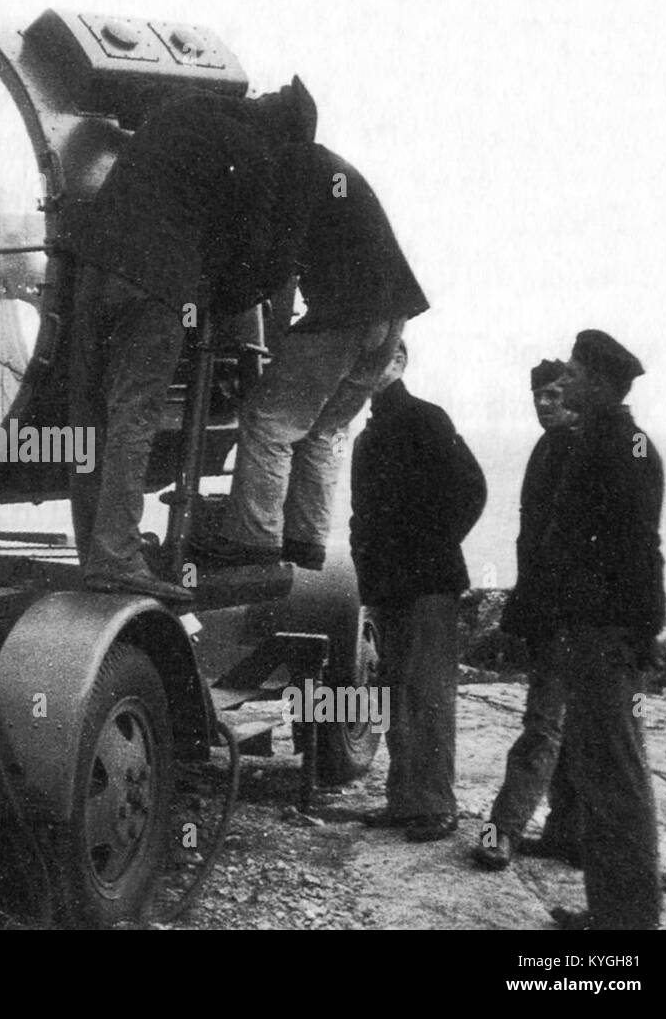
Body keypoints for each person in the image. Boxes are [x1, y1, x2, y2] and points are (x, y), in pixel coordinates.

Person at [68, 79, 318, 601]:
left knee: (89, 415)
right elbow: (249, 259)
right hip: (155, 283)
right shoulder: (256, 154)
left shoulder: (184, 108)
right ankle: (116, 559)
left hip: (93, 272)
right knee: (134, 416)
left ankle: (94, 552)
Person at [199, 150, 429, 571]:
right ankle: (305, 540)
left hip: (346, 313)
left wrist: (227, 298)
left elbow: (274, 265)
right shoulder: (330, 171)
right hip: (391, 315)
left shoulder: (289, 172)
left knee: (269, 423)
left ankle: (253, 539)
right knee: (323, 428)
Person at [540, 330, 664, 931]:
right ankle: (611, 913)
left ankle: (630, 924)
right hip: (592, 629)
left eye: (573, 370)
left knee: (616, 776)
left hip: (606, 633)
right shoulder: (603, 440)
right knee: (601, 771)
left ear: (597, 379)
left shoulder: (626, 445)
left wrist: (642, 630)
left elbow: (641, 546)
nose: (563, 380)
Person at [350, 339, 486, 841]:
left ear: (401, 362)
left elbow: (472, 488)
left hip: (428, 584)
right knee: (392, 693)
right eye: (365, 358)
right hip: (389, 587)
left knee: (427, 697)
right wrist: (366, 559)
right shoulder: (368, 437)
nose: (369, 367)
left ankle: (435, 807)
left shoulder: (427, 418)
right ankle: (404, 801)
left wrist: (430, 549)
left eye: (380, 357)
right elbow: (362, 514)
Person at [473, 359, 582, 871]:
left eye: (555, 394)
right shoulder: (552, 446)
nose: (544, 403)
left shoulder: (581, 447)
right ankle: (566, 834)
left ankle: (502, 832)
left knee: (543, 729)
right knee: (566, 728)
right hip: (559, 614)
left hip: (572, 617)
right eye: (538, 395)